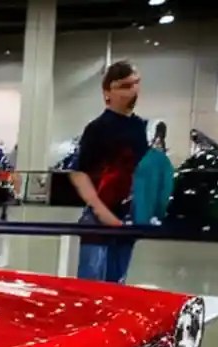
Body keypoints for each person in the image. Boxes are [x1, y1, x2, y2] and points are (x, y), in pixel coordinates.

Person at [69, 60, 149, 284]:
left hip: (128, 216)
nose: (133, 90)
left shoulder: (139, 127)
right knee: (91, 284)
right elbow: (80, 173)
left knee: (118, 282)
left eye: (136, 84)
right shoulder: (97, 129)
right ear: (107, 92)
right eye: (125, 86)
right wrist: (100, 210)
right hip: (99, 216)